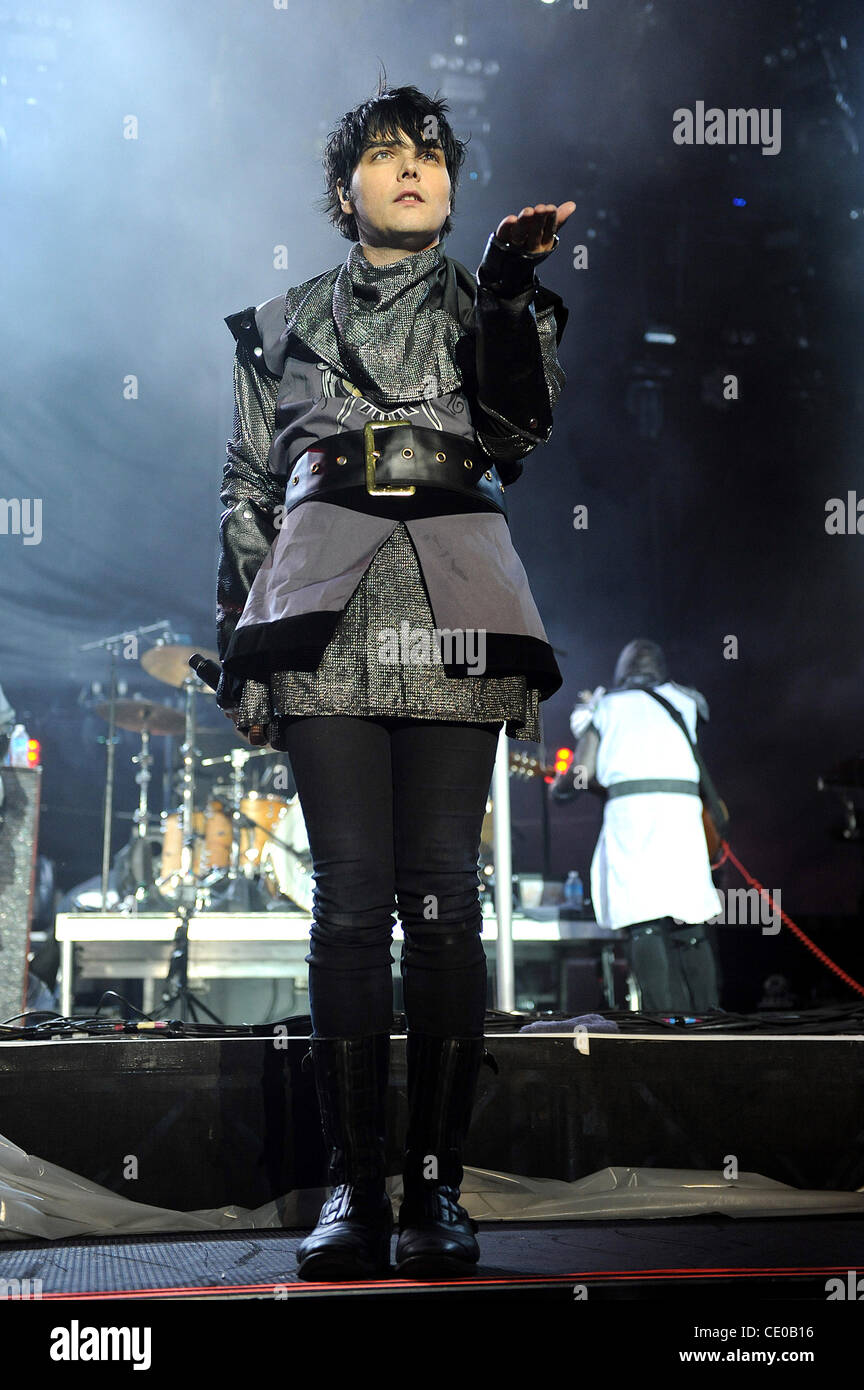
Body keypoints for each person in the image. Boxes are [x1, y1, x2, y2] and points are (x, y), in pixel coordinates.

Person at [215, 78, 572, 1280]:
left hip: (454, 600)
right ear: (344, 188)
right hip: (320, 606)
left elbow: (521, 433)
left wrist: (513, 290)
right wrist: (251, 641)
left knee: (445, 901)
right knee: (349, 902)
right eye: (384, 151)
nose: (412, 165)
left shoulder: (495, 304)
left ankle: (435, 1190)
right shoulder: (279, 321)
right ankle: (352, 1193)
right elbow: (246, 489)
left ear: (454, 187)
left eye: (431, 152)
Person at [550, 640, 722, 1014]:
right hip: (682, 819)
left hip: (633, 819)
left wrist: (559, 790)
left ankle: (663, 1026)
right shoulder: (686, 702)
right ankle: (712, 1023)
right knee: (690, 919)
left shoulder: (608, 706)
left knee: (644, 920)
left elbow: (584, 771)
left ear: (622, 671)